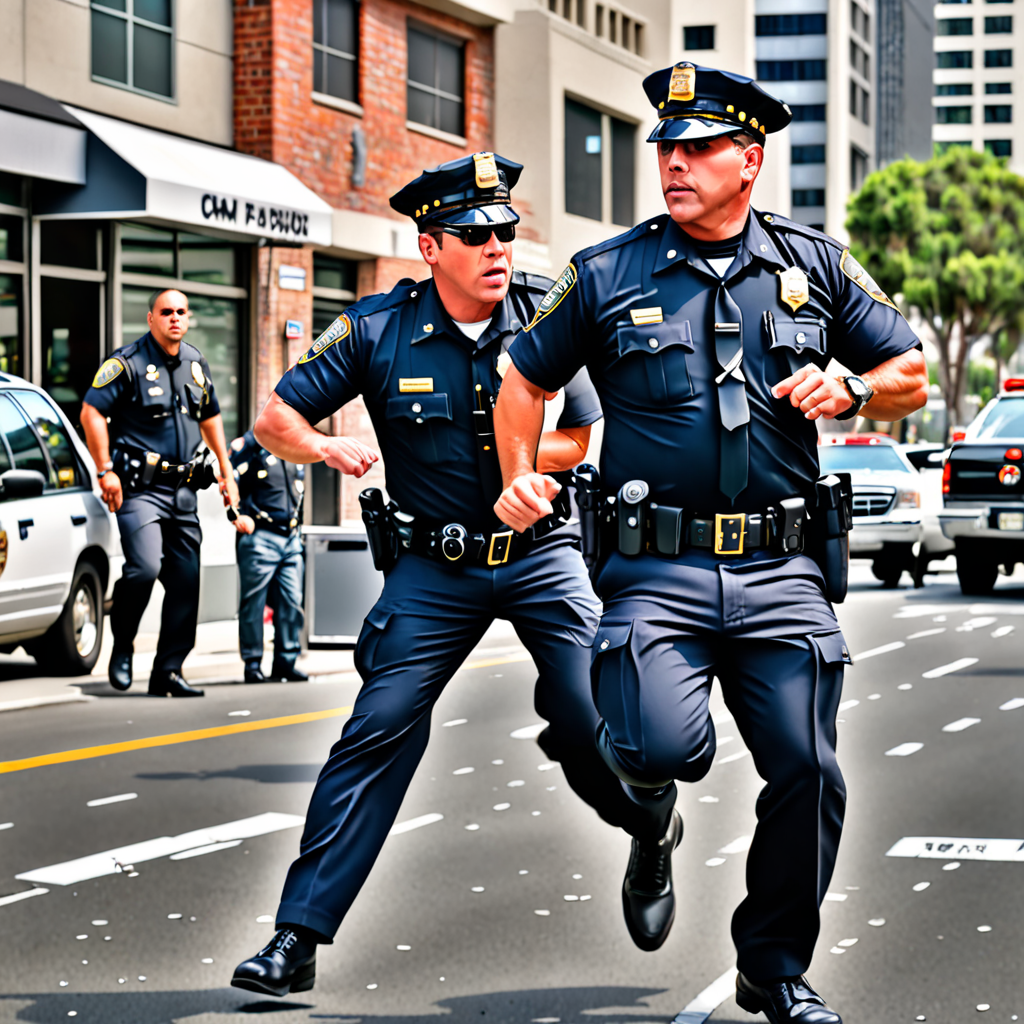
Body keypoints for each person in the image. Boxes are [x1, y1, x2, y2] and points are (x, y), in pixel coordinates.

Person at [492, 65, 928, 1024]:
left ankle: (771, 968)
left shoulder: (813, 265)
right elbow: (523, 379)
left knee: (810, 774)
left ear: (751, 160)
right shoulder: (606, 272)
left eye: (696, 149)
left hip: (782, 570)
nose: (674, 164)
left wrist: (854, 391)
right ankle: (651, 821)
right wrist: (519, 473)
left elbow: (909, 370)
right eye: (666, 149)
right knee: (658, 744)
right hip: (657, 569)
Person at [230, 152, 665, 997]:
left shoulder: (544, 317)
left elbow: (585, 434)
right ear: (430, 247)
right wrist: (324, 445)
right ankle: (297, 936)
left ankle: (649, 835)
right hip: (436, 567)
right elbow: (275, 416)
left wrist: (529, 464)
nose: (498, 246)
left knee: (593, 716)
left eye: (505, 230)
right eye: (475, 234)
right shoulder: (376, 330)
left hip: (541, 556)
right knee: (377, 728)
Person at [81, 289, 247, 698]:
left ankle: (168, 671)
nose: (175, 318)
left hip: (183, 491)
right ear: (151, 318)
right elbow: (91, 412)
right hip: (139, 490)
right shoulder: (127, 363)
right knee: (145, 567)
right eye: (166, 312)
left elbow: (210, 417)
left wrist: (226, 471)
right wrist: (105, 470)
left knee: (187, 581)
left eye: (181, 312)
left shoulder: (195, 361)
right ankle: (122, 645)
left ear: (188, 319)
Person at [229, 429, 308, 683]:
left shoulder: (294, 449)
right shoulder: (254, 445)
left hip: (290, 537)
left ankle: (286, 662)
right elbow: (228, 472)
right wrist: (237, 514)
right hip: (261, 536)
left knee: (291, 601)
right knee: (254, 605)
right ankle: (252, 663)